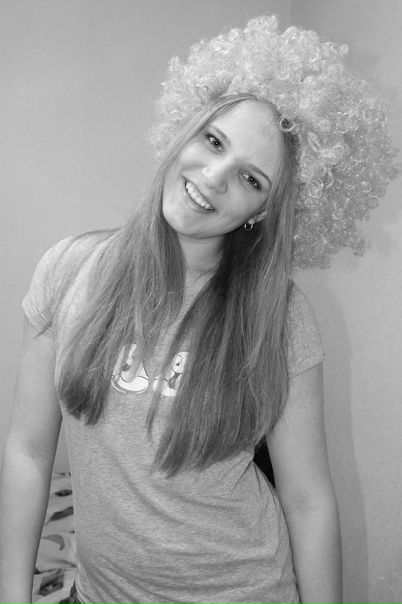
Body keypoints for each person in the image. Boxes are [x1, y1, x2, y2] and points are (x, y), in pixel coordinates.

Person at [0, 15, 399, 604]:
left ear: (265, 211)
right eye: (213, 141)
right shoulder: (68, 271)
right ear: (185, 129)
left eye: (250, 179)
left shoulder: (280, 316)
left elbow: (308, 500)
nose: (212, 179)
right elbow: (29, 452)